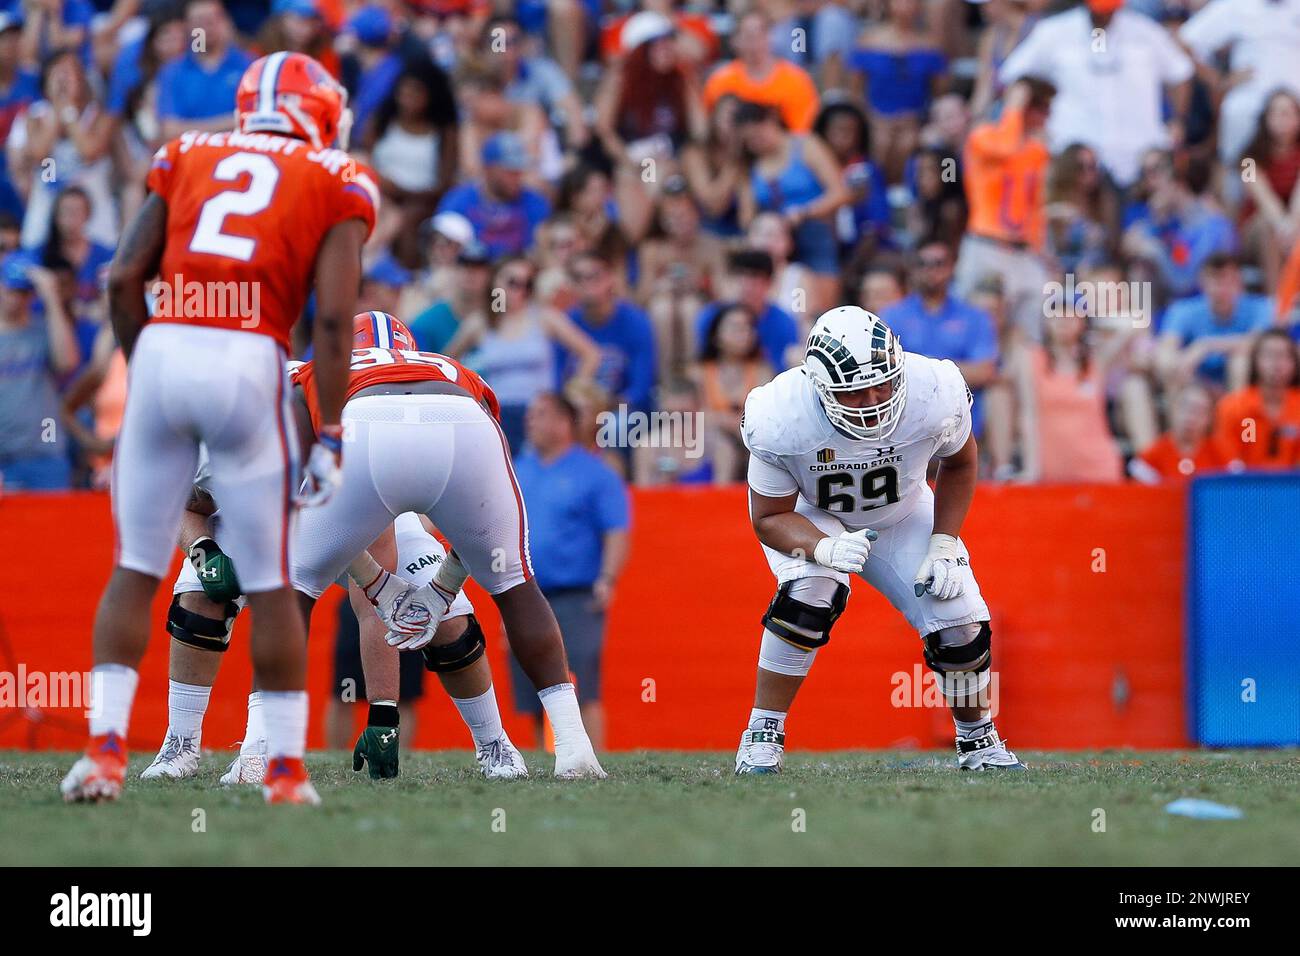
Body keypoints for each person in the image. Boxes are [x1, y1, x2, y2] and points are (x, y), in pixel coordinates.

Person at [59, 52, 374, 807]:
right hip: (247, 358)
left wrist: (148, 361)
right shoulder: (338, 177)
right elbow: (333, 322)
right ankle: (286, 772)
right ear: (321, 112)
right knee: (268, 583)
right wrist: (328, 433)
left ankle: (104, 752)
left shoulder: (186, 151)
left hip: (168, 346)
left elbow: (120, 276)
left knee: (137, 566)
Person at [287, 313, 607, 778]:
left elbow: (298, 498)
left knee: (291, 591)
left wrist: (389, 588)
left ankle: (264, 750)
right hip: (459, 421)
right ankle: (573, 747)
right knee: (515, 586)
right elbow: (480, 517)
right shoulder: (447, 366)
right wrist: (419, 588)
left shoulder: (318, 369)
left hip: (363, 432)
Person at [735, 307, 1023, 773]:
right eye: (854, 392)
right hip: (812, 515)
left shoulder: (933, 388)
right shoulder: (780, 413)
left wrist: (944, 543)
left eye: (882, 384)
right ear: (821, 388)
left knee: (959, 620)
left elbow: (961, 462)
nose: (872, 401)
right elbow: (769, 516)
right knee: (811, 593)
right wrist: (823, 548)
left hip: (903, 511)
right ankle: (763, 732)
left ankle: (979, 742)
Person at [510, 391, 630, 751]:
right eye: (530, 414)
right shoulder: (519, 469)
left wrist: (608, 578)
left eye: (541, 414)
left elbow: (617, 530)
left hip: (577, 594)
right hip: (527, 594)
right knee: (532, 686)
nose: (531, 420)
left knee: (582, 683)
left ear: (565, 423)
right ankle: (542, 759)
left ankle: (591, 756)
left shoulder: (595, 473)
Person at [998, 0, 1194, 191]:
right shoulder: (1055, 31)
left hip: (1138, 158)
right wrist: (1031, 126)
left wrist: (1178, 121)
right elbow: (1014, 76)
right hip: (1074, 158)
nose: (1105, 15)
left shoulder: (1145, 31)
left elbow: (1181, 73)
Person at [447, 255, 599, 451]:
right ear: (495, 281)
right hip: (497, 414)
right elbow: (448, 363)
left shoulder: (545, 318)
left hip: (540, 414)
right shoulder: (479, 323)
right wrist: (468, 396)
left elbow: (590, 354)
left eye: (526, 285)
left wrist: (569, 395)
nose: (519, 291)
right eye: (512, 282)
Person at [955, 78, 1054, 341]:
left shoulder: (1037, 150)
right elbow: (1006, 148)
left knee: (1032, 333)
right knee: (980, 328)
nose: (1047, 114)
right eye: (1039, 106)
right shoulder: (982, 137)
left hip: (1023, 253)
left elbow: (1035, 206)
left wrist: (1040, 249)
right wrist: (1014, 104)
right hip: (986, 247)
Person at [735, 100, 849, 318]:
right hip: (775, 241)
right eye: (748, 141)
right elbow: (746, 217)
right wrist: (763, 228)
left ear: (771, 121)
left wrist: (804, 212)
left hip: (815, 233)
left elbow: (840, 192)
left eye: (757, 136)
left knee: (817, 312)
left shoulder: (805, 145)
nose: (754, 144)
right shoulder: (751, 164)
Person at [1008, 296, 1129, 484]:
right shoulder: (1030, 358)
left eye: (1071, 314)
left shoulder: (1095, 361)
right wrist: (1031, 468)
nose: (1063, 319)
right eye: (1056, 314)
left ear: (1083, 322)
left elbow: (1132, 326)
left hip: (1100, 470)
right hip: (1053, 469)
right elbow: (1028, 415)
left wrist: (1096, 323)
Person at [0, 251, 78, 490]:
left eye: (24, 292)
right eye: (12, 289)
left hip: (46, 454)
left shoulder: (43, 329)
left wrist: (51, 297)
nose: (17, 298)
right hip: (4, 459)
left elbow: (67, 362)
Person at [848, 0, 948, 183]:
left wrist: (918, 119)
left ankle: (907, 194)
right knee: (880, 141)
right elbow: (856, 93)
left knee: (909, 142)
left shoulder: (931, 45)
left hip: (914, 118)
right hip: (876, 118)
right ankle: (878, 196)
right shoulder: (867, 41)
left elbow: (939, 94)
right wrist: (872, 119)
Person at [1122, 150, 1238, 302]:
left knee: (1147, 259)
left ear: (1178, 185)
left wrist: (1154, 251)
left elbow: (1186, 284)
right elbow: (1133, 243)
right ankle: (1142, 324)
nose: (1154, 192)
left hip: (1205, 306)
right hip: (1178, 306)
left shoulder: (1213, 226)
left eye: (1160, 185)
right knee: (1141, 268)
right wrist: (1152, 223)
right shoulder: (1173, 222)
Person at [1155, 254, 1271, 393]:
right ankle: (1177, 413)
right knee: (1166, 360)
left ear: (1239, 281)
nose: (1221, 288)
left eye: (1227, 280)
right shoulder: (1183, 309)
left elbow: (1258, 342)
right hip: (1196, 382)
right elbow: (1167, 344)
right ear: (1202, 282)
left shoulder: (1262, 306)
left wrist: (1205, 345)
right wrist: (1176, 362)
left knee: (1240, 361)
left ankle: (1235, 413)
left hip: (1243, 378)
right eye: (1215, 280)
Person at [561, 249, 658, 415]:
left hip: (622, 411)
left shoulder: (636, 322)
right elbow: (557, 381)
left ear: (610, 278)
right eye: (578, 277)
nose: (587, 282)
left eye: (594, 276)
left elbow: (641, 390)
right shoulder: (566, 323)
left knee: (615, 426)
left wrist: (602, 408)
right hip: (574, 412)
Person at [436, 131, 551, 259]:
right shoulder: (458, 202)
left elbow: (540, 251)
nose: (517, 177)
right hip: (469, 271)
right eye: (509, 171)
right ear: (488, 169)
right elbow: (441, 250)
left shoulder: (536, 203)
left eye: (519, 170)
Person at [703, 9, 820, 135]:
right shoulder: (720, 82)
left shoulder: (796, 81)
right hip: (734, 149)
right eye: (748, 36)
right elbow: (710, 131)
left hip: (782, 150)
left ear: (771, 36)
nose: (754, 43)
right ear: (734, 40)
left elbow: (802, 134)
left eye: (761, 34)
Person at [692, 303, 773, 484]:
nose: (744, 333)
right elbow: (694, 415)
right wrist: (730, 422)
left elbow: (766, 419)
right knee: (722, 448)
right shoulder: (699, 373)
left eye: (748, 327)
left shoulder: (762, 372)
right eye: (736, 327)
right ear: (716, 335)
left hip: (747, 441)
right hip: (708, 440)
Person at [155, 1, 253, 141]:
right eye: (199, 22)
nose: (206, 27)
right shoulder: (173, 71)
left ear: (225, 21)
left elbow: (255, 121)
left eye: (212, 20)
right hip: (190, 157)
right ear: (187, 27)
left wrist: (191, 128)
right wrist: (232, 121)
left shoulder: (248, 65)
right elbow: (170, 131)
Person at [695, 249, 800, 372]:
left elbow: (784, 368)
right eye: (742, 277)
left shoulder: (785, 322)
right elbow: (701, 359)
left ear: (769, 283)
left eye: (755, 279)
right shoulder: (710, 316)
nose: (747, 285)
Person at [1238, 91, 1300, 293]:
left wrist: (1292, 227)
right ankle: (1276, 302)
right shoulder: (1247, 158)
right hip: (1258, 229)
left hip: (1294, 224)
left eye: (1286, 113)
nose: (1280, 120)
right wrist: (1285, 228)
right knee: (1268, 227)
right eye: (1274, 113)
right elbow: (1261, 197)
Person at [1212, 329, 1300, 470]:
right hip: (1244, 487)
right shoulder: (1232, 406)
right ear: (1255, 361)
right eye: (1269, 355)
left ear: (1294, 363)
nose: (1276, 364)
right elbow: (1228, 459)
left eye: (1283, 356)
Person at [1130, 384, 1222, 484]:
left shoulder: (1220, 452)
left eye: (1200, 411)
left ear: (1209, 418)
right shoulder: (1152, 456)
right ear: (1174, 409)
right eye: (1186, 407)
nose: (1191, 417)